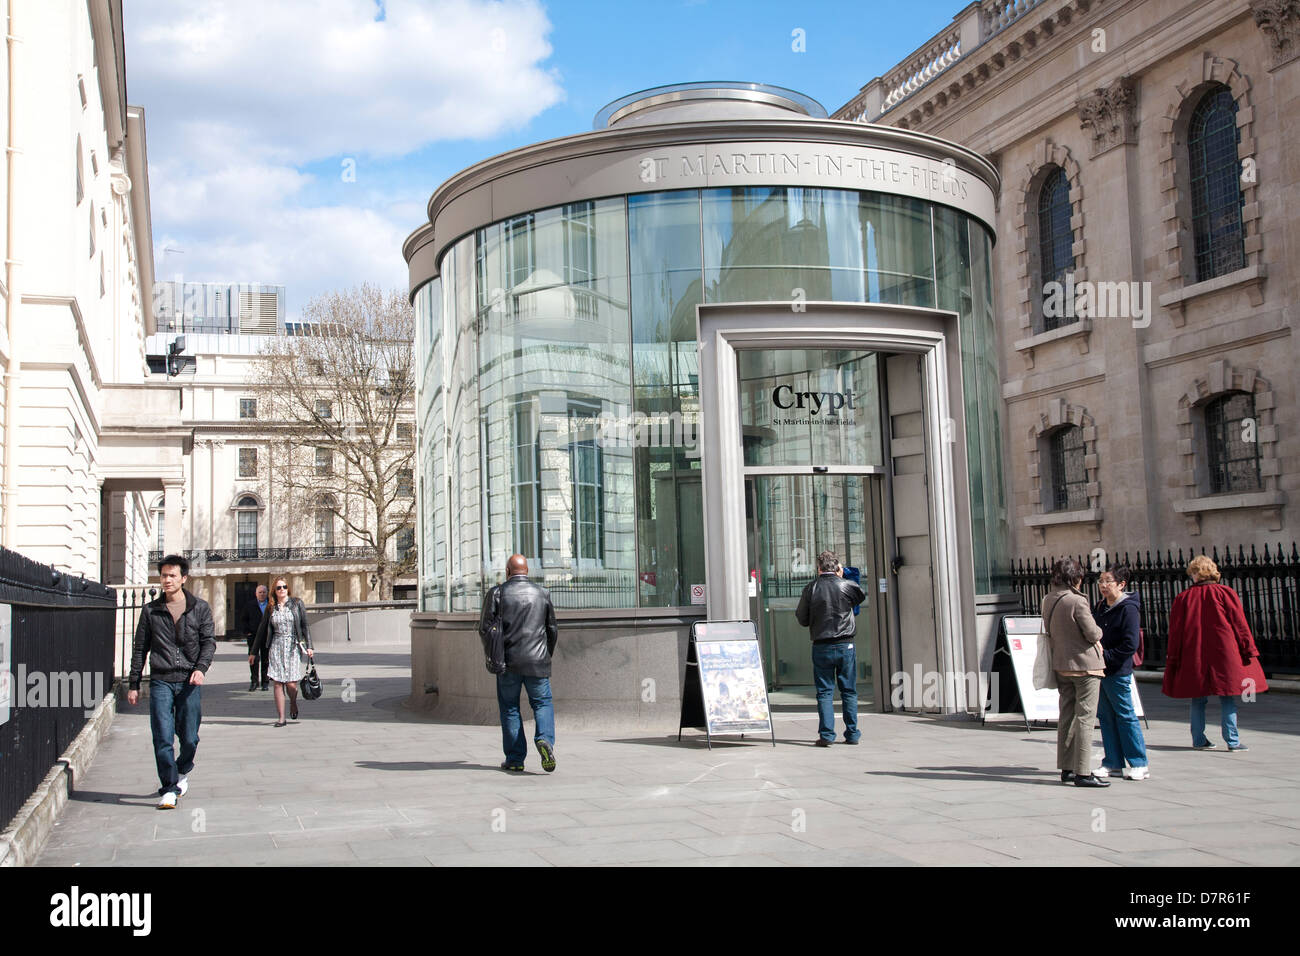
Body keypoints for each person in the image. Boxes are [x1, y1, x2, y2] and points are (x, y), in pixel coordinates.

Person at [126, 554, 216, 809]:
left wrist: (201, 669)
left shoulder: (199, 608)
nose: (166, 580)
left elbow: (209, 641)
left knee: (189, 738)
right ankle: (169, 787)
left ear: (183, 578)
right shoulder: (151, 610)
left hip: (189, 680)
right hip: (161, 680)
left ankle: (182, 769)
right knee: (163, 736)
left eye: (172, 575)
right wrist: (134, 684)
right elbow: (140, 648)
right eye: (163, 575)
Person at [1162, 555, 1268, 751]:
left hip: (1195, 653)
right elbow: (1240, 624)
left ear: (1195, 574)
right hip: (1225, 653)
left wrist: (1174, 658)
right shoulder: (1226, 593)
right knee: (1227, 696)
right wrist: (1248, 649)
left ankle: (1198, 739)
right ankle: (1233, 741)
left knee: (1198, 697)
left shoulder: (1183, 598)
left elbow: (1176, 632)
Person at [479, 554, 558, 773]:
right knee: (542, 703)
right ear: (527, 571)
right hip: (538, 661)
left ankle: (515, 759)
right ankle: (545, 741)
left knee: (510, 708)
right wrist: (545, 655)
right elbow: (552, 629)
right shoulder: (542, 593)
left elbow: (485, 629)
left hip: (509, 662)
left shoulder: (497, 593)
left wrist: (493, 656)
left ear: (507, 571)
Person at [1042, 557, 1108, 787]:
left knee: (1067, 716)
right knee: (1085, 718)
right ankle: (1083, 771)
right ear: (1075, 578)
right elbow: (1093, 633)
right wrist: (1099, 631)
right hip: (1085, 665)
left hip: (1061, 664)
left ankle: (1067, 768)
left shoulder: (1048, 599)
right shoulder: (1077, 601)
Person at [795, 550, 865, 747]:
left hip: (822, 644)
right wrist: (842, 576)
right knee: (849, 690)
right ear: (837, 568)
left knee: (825, 691)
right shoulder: (847, 585)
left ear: (818, 568)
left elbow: (801, 618)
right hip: (845, 644)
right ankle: (852, 733)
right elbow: (859, 597)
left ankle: (827, 734)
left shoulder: (811, 588)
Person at [1091, 564, 1149, 779]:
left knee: (1125, 715)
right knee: (1105, 716)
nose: (1103, 586)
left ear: (1121, 584)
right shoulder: (1099, 606)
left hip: (1117, 669)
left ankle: (1138, 762)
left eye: (1108, 581)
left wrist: (1106, 657)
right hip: (1100, 670)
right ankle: (1113, 762)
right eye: (1101, 581)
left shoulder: (1128, 608)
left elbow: (1130, 643)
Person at [249, 576, 313, 727]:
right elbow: (261, 629)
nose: (282, 590)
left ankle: (293, 702)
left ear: (288, 588)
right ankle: (281, 718)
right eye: (278, 588)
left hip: (292, 646)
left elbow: (305, 626)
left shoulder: (297, 603)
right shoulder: (271, 607)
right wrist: (253, 652)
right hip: (276, 646)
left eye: (284, 587)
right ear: (274, 591)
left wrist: (310, 646)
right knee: (278, 683)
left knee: (291, 684)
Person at [241, 584, 270, 691]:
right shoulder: (250, 605)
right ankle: (254, 682)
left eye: (264, 592)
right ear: (256, 594)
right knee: (254, 659)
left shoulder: (271, 605)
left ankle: (265, 682)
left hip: (267, 636)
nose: (262, 594)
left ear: (267, 593)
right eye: (260, 592)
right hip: (253, 636)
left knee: (266, 660)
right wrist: (247, 632)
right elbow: (244, 619)